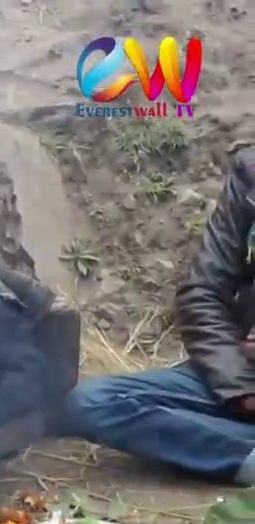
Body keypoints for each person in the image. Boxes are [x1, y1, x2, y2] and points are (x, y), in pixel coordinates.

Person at [61, 144, 255, 485]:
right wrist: (239, 388)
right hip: (242, 375)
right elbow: (203, 292)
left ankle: (224, 449)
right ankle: (242, 455)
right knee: (92, 403)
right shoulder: (250, 174)